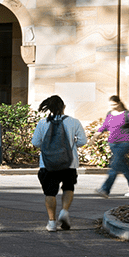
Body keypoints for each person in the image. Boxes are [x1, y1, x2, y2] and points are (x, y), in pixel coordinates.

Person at [31, 95, 87, 231]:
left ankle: (51, 222)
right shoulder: (73, 122)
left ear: (48, 108)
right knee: (68, 187)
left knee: (50, 193)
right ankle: (65, 211)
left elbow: (35, 143)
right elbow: (82, 141)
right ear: (64, 107)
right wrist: (71, 143)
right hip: (69, 163)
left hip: (48, 164)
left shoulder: (42, 123)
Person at [95, 95, 129, 196]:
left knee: (114, 165)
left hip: (124, 143)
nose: (111, 106)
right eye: (110, 104)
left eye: (113, 104)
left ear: (119, 103)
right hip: (113, 143)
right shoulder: (109, 114)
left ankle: (105, 189)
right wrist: (95, 136)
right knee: (123, 167)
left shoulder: (127, 114)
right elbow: (105, 126)